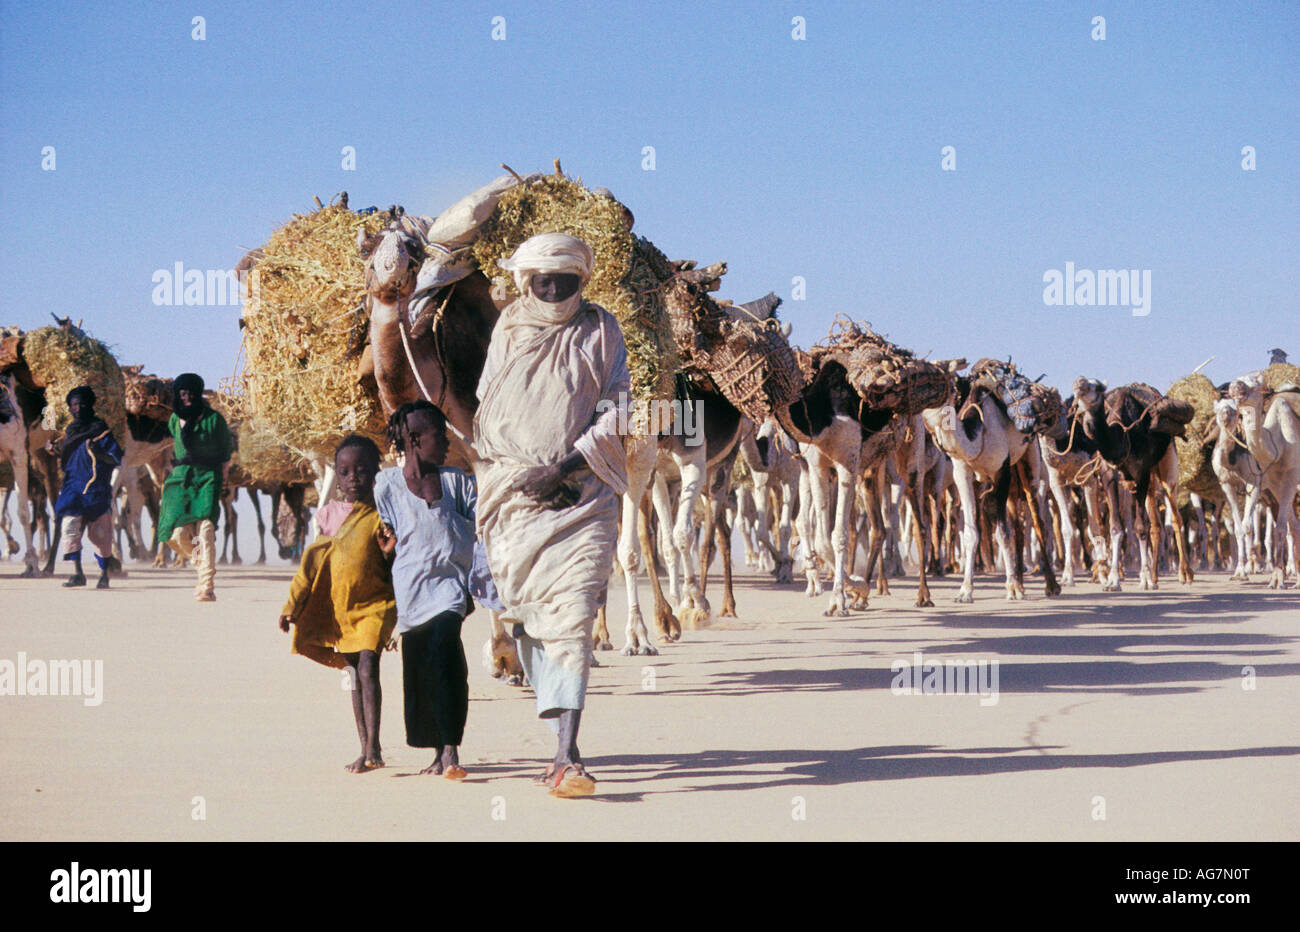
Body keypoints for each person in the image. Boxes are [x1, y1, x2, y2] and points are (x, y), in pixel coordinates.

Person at [473, 232, 630, 798]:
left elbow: (617, 407)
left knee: (574, 621)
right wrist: (521, 476)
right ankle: (561, 737)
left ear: (581, 279)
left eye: (565, 280)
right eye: (543, 280)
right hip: (513, 495)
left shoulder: (602, 329)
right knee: (530, 619)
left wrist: (566, 469)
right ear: (527, 281)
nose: (554, 288)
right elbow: (490, 413)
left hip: (583, 497)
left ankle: (567, 757)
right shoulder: (510, 327)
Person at [280, 434, 397, 773]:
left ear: (376, 473)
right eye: (344, 472)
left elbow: (394, 564)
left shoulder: (383, 514)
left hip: (375, 606)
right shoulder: (329, 516)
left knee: (367, 667)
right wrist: (291, 606)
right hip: (342, 611)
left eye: (361, 471)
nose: (352, 479)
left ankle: (373, 747)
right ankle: (365, 745)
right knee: (355, 675)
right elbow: (311, 565)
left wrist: (390, 553)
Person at [375, 401, 478, 780]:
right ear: (415, 440)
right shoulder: (386, 486)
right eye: (440, 433)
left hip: (451, 590)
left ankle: (451, 749)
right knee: (420, 671)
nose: (448, 440)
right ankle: (437, 752)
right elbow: (383, 538)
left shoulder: (457, 482)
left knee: (446, 657)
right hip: (411, 593)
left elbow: (480, 530)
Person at [155, 373, 233, 602]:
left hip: (208, 476)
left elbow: (226, 455)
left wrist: (223, 478)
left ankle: (206, 585)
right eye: (182, 394)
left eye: (191, 393)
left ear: (198, 394)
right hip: (180, 477)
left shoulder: (215, 420)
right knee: (174, 533)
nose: (187, 398)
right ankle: (200, 563)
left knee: (206, 530)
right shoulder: (173, 420)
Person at [49, 386, 122, 589]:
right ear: (70, 409)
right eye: (74, 405)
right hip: (73, 489)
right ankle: (78, 573)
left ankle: (104, 574)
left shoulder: (102, 432)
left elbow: (116, 458)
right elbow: (70, 460)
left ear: (90, 406)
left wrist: (99, 454)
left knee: (101, 535)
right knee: (70, 528)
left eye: (82, 404)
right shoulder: (70, 431)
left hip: (96, 488)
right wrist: (55, 451)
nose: (78, 408)